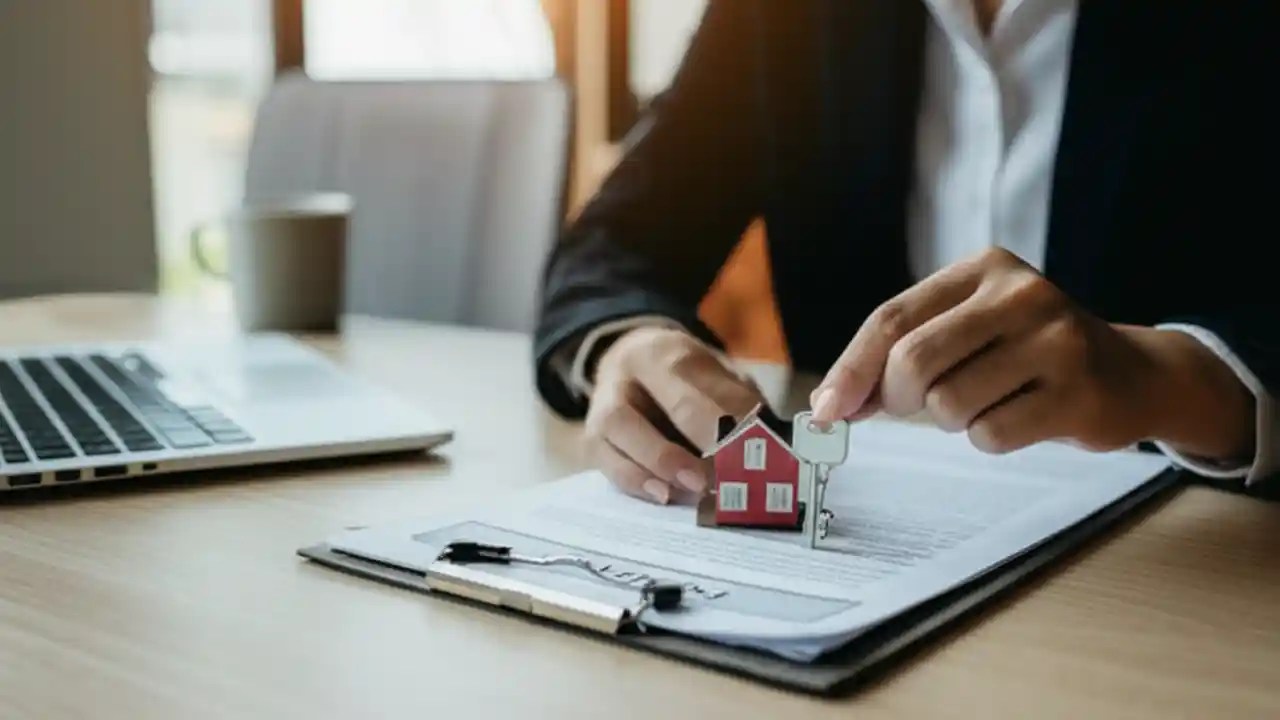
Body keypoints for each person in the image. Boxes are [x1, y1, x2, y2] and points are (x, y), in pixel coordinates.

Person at [533, 0, 1278, 505]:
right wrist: (625, 342)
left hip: (1191, 570)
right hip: (871, 559)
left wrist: (1174, 381)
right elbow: (614, 244)